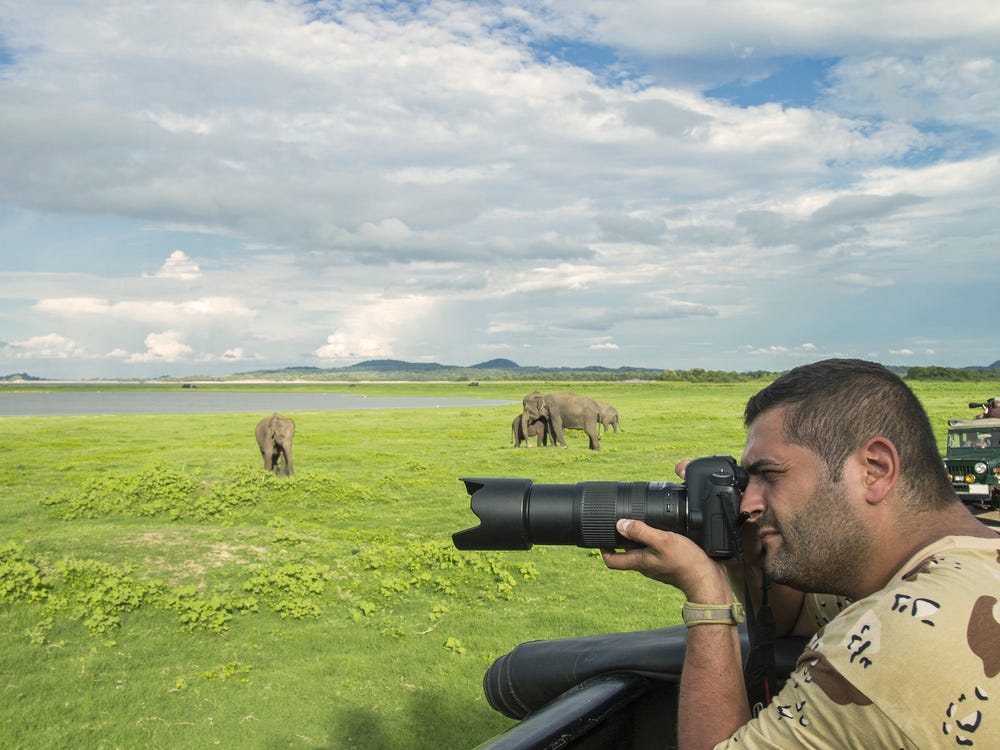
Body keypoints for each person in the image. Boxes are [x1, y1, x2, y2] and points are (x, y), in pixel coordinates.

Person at [602, 359, 1000, 749]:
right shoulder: (973, 557)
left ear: (874, 470)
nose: (747, 505)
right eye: (746, 482)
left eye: (771, 475)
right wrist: (751, 552)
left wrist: (708, 594)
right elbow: (791, 622)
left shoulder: (895, 638)